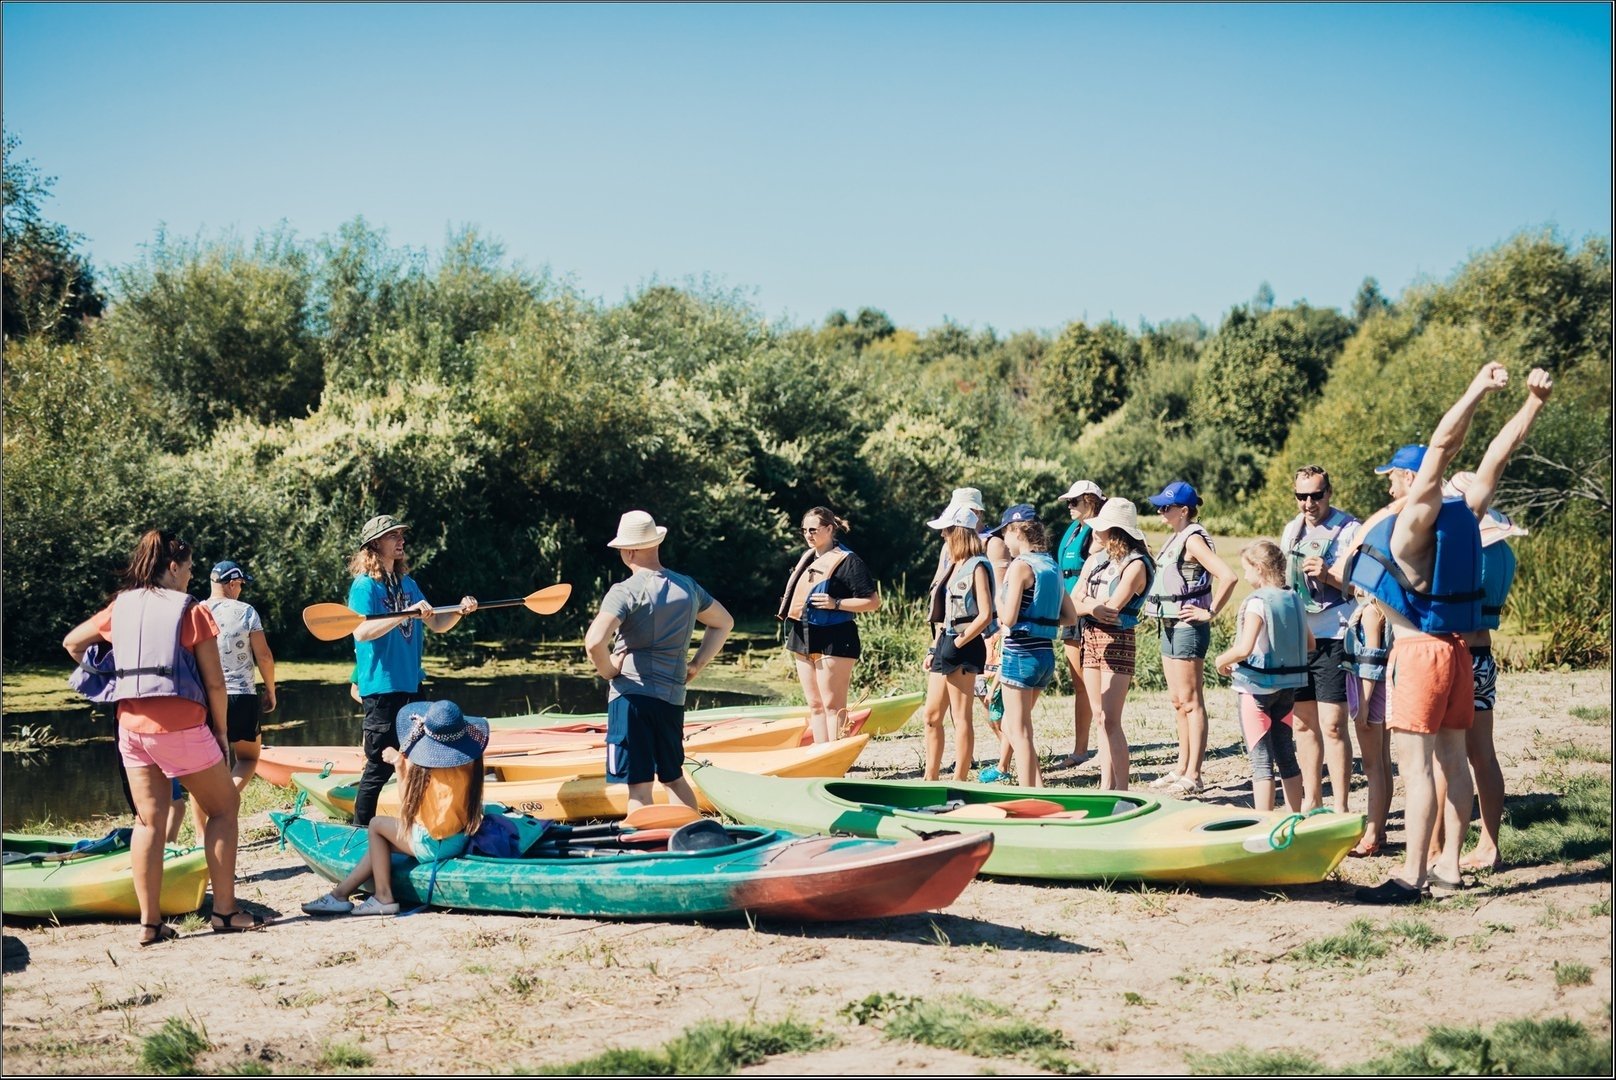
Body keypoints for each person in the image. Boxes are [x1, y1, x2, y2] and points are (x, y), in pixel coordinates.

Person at [1347, 362, 1508, 904]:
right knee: (1453, 759)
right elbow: (1495, 459)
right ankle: (1451, 867)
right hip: (1459, 651)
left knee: (1415, 769)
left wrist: (1476, 389)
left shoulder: (1416, 522)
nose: (1391, 482)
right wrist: (1530, 403)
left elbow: (1444, 445)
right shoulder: (1466, 513)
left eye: (1395, 475)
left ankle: (1411, 875)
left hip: (1418, 654)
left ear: (1414, 480)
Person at [62, 529, 266, 943]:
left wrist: (110, 672)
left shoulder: (121, 606)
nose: (191, 577)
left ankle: (150, 924)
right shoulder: (191, 611)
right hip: (181, 728)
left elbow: (72, 643)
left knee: (149, 822)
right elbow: (215, 685)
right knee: (224, 807)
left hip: (131, 729)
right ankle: (225, 913)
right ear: (172, 567)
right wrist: (222, 733)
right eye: (189, 569)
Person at [1433, 367, 1554, 871]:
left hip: (1452, 653)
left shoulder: (1443, 525)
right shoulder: (1475, 535)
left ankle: (1453, 848)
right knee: (1477, 753)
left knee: (1450, 756)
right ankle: (1475, 845)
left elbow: (1487, 453)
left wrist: (1523, 401)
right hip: (1477, 654)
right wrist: (1531, 402)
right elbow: (1495, 454)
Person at [586, 510, 733, 811]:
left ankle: (642, 853)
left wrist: (609, 669)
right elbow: (724, 623)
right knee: (672, 777)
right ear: (655, 543)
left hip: (631, 700)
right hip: (671, 698)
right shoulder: (687, 587)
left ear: (628, 550)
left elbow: (594, 642)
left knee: (639, 789)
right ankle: (693, 843)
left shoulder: (623, 591)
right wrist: (696, 665)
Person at [348, 515, 478, 828]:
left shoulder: (409, 584)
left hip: (411, 685)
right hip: (381, 689)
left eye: (401, 534)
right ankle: (359, 829)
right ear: (375, 544)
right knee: (379, 765)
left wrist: (460, 611)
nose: (401, 540)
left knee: (419, 759)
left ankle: (417, 824)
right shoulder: (364, 586)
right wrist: (404, 614)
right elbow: (361, 631)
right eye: (393, 536)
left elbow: (436, 623)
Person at [302, 699, 488, 916]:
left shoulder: (426, 767)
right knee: (381, 843)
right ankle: (339, 895)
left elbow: (408, 806)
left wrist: (399, 764)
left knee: (376, 825)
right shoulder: (471, 760)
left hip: (435, 844)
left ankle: (383, 897)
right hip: (460, 838)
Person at [1142, 481, 1237, 796]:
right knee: (1177, 701)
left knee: (1192, 702)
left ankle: (1194, 774)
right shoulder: (1177, 537)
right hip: (1168, 625)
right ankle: (1181, 768)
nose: (1159, 512)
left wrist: (1209, 611)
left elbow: (1229, 576)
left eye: (1166, 507)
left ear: (1184, 510)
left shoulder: (1194, 539)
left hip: (1187, 628)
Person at [1279, 466, 1361, 814]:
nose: (1309, 503)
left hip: (1336, 634)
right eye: (1302, 496)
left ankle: (1341, 807)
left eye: (1316, 495)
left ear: (1330, 492)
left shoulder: (1350, 530)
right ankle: (1313, 801)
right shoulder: (1291, 530)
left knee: (1333, 724)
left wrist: (1327, 574)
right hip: (1299, 636)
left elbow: (1364, 587)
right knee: (1302, 723)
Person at [1214, 541, 1314, 813]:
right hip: (1288, 689)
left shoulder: (1258, 603)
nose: (1245, 575)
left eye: (1247, 569)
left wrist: (1220, 661)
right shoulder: (1294, 598)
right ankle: (1296, 817)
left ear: (1259, 568)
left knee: (1261, 760)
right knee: (1286, 754)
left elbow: (1244, 648)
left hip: (1256, 690)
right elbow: (1310, 644)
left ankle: (1265, 821)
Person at [1070, 498, 1155, 791]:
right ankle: (1106, 786)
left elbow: (1112, 608)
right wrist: (1090, 608)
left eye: (1102, 528)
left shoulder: (1136, 565)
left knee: (1110, 719)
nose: (1095, 531)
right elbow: (1072, 602)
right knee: (1099, 716)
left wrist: (1087, 605)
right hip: (1091, 636)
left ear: (1116, 531)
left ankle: (1122, 790)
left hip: (1117, 639)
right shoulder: (1096, 560)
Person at [777, 506, 881, 744]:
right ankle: (821, 756)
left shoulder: (849, 561)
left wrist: (837, 603)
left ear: (830, 529)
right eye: (804, 530)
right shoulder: (807, 558)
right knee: (815, 705)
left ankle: (836, 760)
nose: (808, 535)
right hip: (802, 636)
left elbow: (873, 602)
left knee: (833, 706)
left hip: (836, 638)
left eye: (813, 530)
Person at [990, 506, 1078, 787]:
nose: (1004, 541)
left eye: (1005, 533)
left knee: (1016, 729)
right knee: (1021, 727)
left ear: (1016, 531)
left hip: (1020, 655)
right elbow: (1070, 616)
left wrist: (995, 598)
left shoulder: (1020, 566)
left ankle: (1029, 794)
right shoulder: (1051, 565)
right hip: (1044, 656)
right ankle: (1038, 786)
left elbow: (1009, 617)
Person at [921, 505, 996, 781]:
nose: (942, 535)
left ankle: (960, 780)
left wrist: (962, 640)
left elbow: (986, 613)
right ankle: (930, 776)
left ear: (960, 532)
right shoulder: (952, 565)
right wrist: (935, 648)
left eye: (947, 530)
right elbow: (944, 614)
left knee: (960, 716)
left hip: (965, 643)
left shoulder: (978, 565)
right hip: (945, 642)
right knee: (931, 715)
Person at [201, 560, 276, 796]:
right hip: (240, 695)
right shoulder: (245, 611)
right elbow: (263, 657)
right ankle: (227, 802)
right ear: (232, 583)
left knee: (203, 768)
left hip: (205, 698)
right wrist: (270, 691)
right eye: (241, 584)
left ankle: (202, 832)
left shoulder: (196, 611)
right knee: (248, 758)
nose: (241, 589)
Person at [1053, 480, 1104, 770]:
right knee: (1079, 682)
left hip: (1087, 611)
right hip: (1070, 610)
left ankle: (1095, 745)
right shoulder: (1074, 530)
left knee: (1089, 682)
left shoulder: (1099, 530)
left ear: (1089, 500)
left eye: (1074, 502)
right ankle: (1081, 748)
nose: (1069, 507)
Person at [1341, 592, 1390, 855]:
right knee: (1381, 761)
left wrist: (1364, 702)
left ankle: (1371, 835)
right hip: (1377, 691)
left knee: (1373, 766)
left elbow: (1371, 657)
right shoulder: (1382, 608)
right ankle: (1379, 829)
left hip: (1368, 691)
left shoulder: (1371, 612)